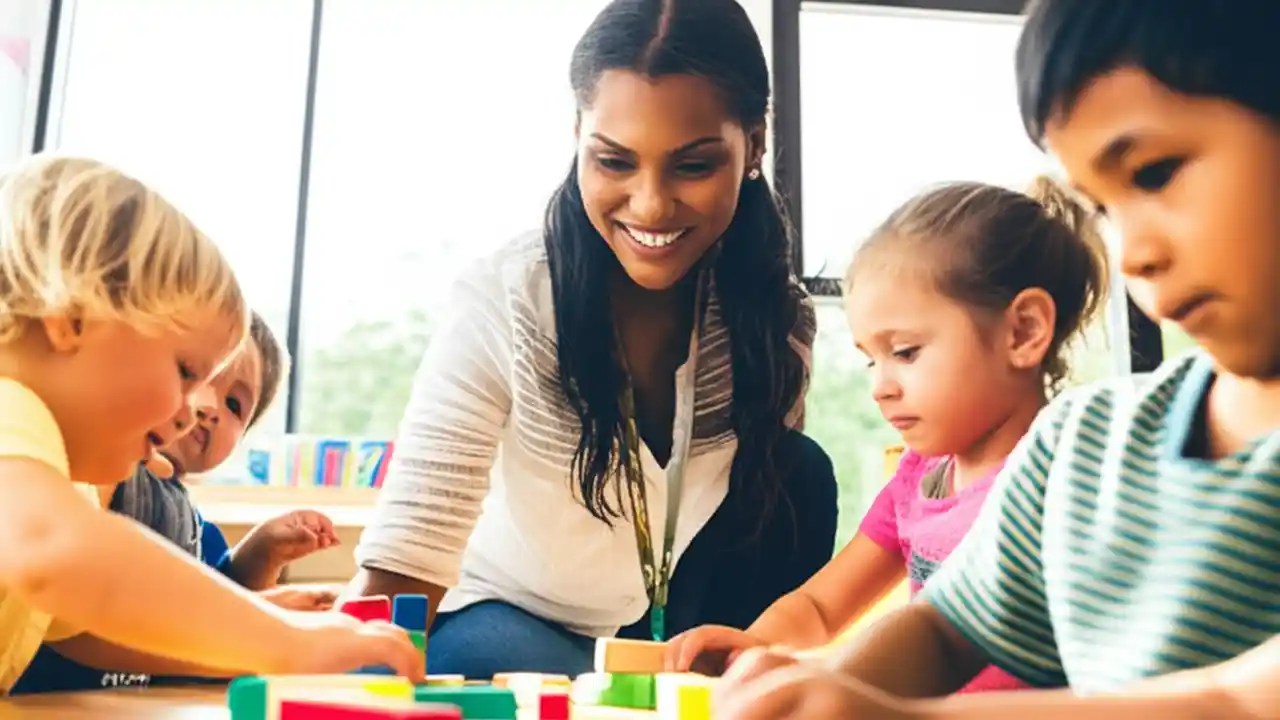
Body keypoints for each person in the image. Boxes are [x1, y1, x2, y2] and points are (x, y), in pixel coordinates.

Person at [713, 0, 1280, 717]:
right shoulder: (1083, 444)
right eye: (1103, 209)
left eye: (1157, 172)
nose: (1134, 254)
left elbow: (1246, 699)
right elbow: (945, 629)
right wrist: (825, 693)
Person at [343, 0, 838, 678]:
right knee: (517, 665)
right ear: (578, 136)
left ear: (753, 145)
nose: (651, 205)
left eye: (692, 166)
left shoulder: (776, 319)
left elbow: (756, 538)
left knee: (802, 473)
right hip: (514, 615)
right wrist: (328, 673)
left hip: (672, 630)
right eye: (614, 161)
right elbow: (406, 557)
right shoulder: (505, 299)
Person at [0, 154, 422, 696]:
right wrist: (291, 642)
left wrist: (274, 644)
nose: (191, 408)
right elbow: (58, 552)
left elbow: (94, 631)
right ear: (71, 317)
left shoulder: (62, 488)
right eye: (184, 370)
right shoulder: (11, 410)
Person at [667, 176, 1107, 693]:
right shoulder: (917, 479)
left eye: (905, 353)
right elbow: (820, 606)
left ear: (1024, 332)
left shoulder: (1069, 482)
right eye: (870, 360)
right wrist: (755, 647)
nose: (880, 387)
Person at [12, 312, 341, 693]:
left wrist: (265, 577)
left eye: (234, 405)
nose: (200, 408)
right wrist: (281, 635)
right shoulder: (48, 448)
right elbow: (67, 574)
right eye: (188, 374)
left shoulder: (188, 521)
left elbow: (96, 624)